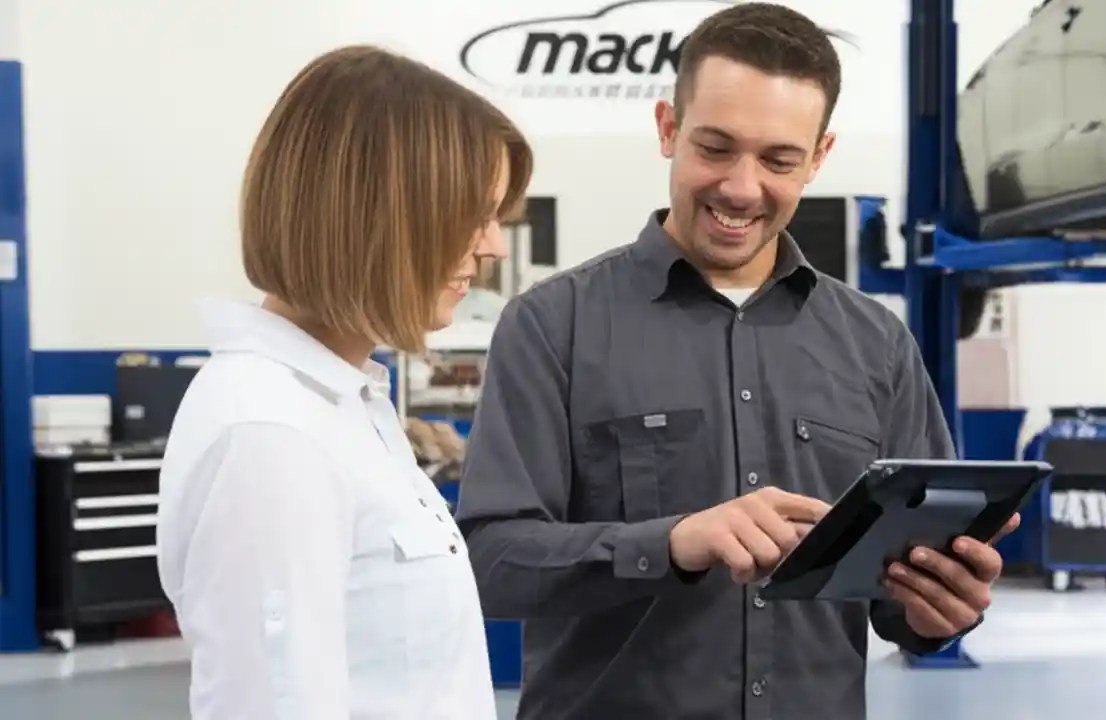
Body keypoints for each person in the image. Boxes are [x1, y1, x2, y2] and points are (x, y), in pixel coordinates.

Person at [455, 4, 1017, 719]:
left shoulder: (877, 345)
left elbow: (897, 601)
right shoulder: (552, 326)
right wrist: (674, 542)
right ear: (668, 128)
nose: (742, 188)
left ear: (818, 156)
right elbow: (490, 563)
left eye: (779, 160)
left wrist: (939, 612)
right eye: (715, 148)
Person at [156, 45, 532, 719]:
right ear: (379, 215)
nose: (495, 246)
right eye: (476, 214)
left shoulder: (344, 405)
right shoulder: (271, 433)